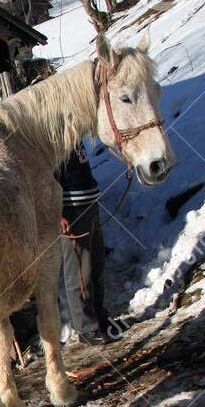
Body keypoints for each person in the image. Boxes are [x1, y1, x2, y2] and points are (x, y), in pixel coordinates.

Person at [58, 139, 112, 344]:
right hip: (70, 208)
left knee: (96, 265)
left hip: (89, 200)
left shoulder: (73, 133)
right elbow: (45, 180)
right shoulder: (51, 135)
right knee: (79, 272)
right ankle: (85, 327)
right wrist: (58, 213)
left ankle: (99, 316)